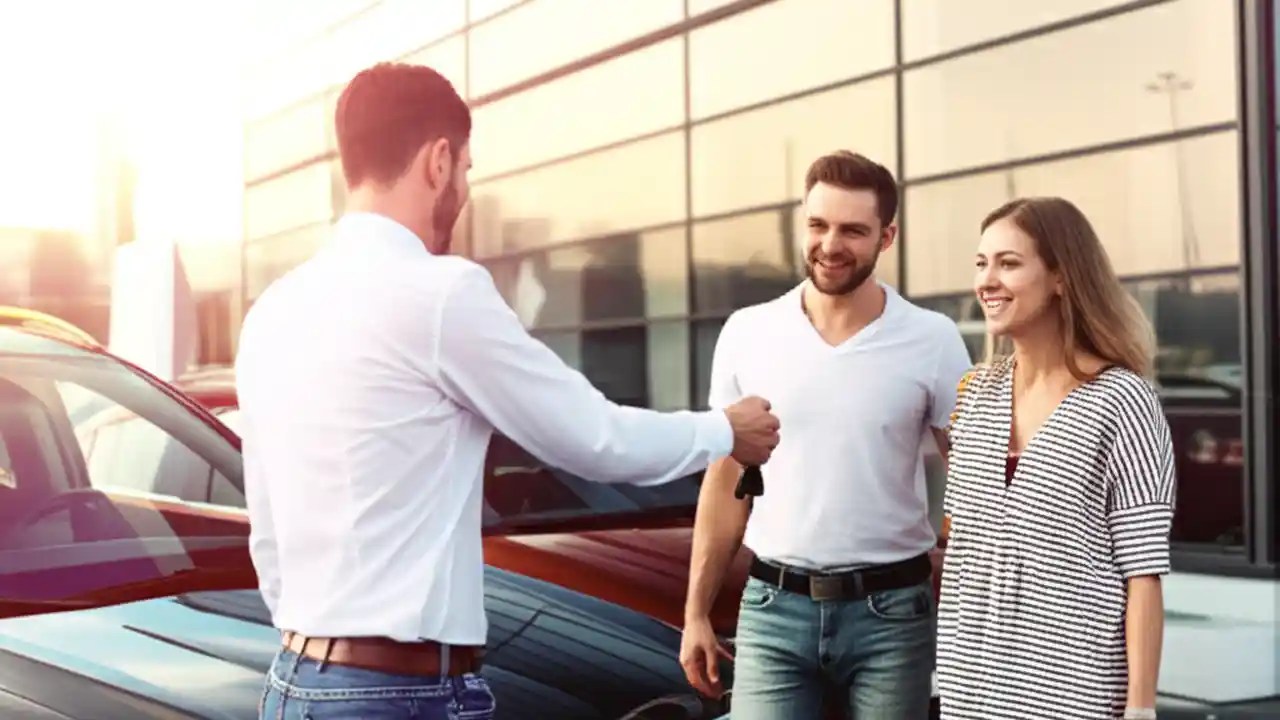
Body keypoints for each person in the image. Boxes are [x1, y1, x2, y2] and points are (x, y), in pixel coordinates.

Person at [235, 62, 781, 720]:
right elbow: (594, 438)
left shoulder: (272, 311)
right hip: (400, 695)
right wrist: (725, 430)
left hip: (293, 684)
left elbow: (265, 530)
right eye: (466, 168)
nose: (464, 188)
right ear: (438, 161)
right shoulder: (440, 294)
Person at [679, 150, 972, 719]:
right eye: (818, 225)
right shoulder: (748, 333)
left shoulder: (932, 339)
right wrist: (696, 612)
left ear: (887, 237)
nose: (830, 244)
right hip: (772, 609)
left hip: (894, 614)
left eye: (852, 230)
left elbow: (971, 476)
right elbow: (726, 480)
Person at [937, 196, 1174, 720]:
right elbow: (962, 550)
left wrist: (1141, 707)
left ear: (1062, 277)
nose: (987, 281)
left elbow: (1144, 573)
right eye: (981, 263)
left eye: (1009, 263)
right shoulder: (976, 394)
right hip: (969, 694)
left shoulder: (1122, 400)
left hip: (1075, 696)